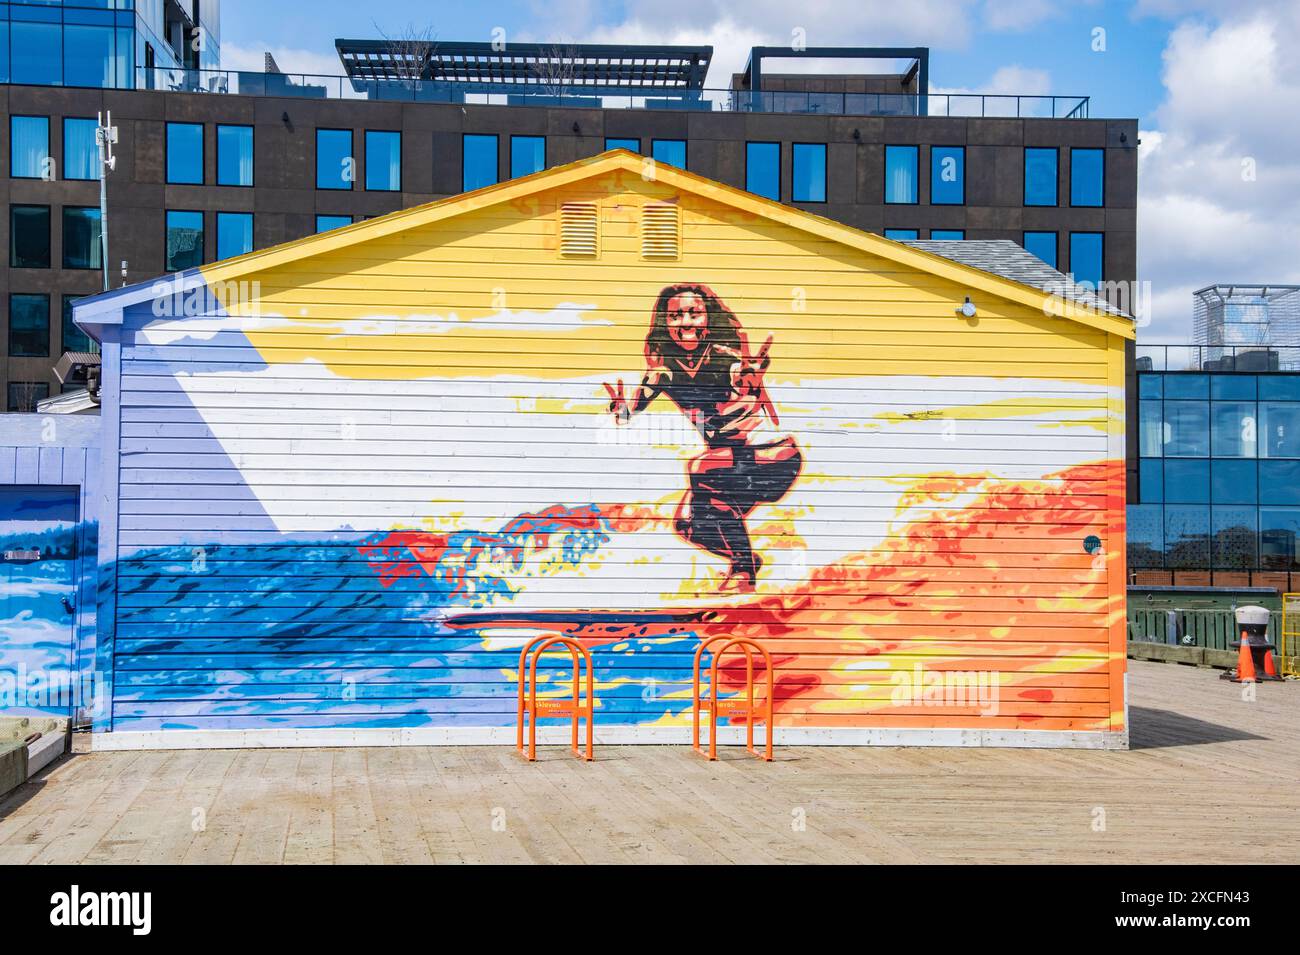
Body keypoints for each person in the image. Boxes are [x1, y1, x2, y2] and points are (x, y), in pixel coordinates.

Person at [605, 283, 802, 592]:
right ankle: (746, 561)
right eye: (675, 316)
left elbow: (740, 374)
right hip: (732, 467)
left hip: (772, 456)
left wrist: (748, 379)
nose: (685, 323)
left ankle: (743, 574)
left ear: (708, 318)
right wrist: (620, 410)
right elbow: (632, 409)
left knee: (700, 469)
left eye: (694, 314)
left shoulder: (724, 357)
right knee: (689, 524)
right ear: (664, 322)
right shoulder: (663, 371)